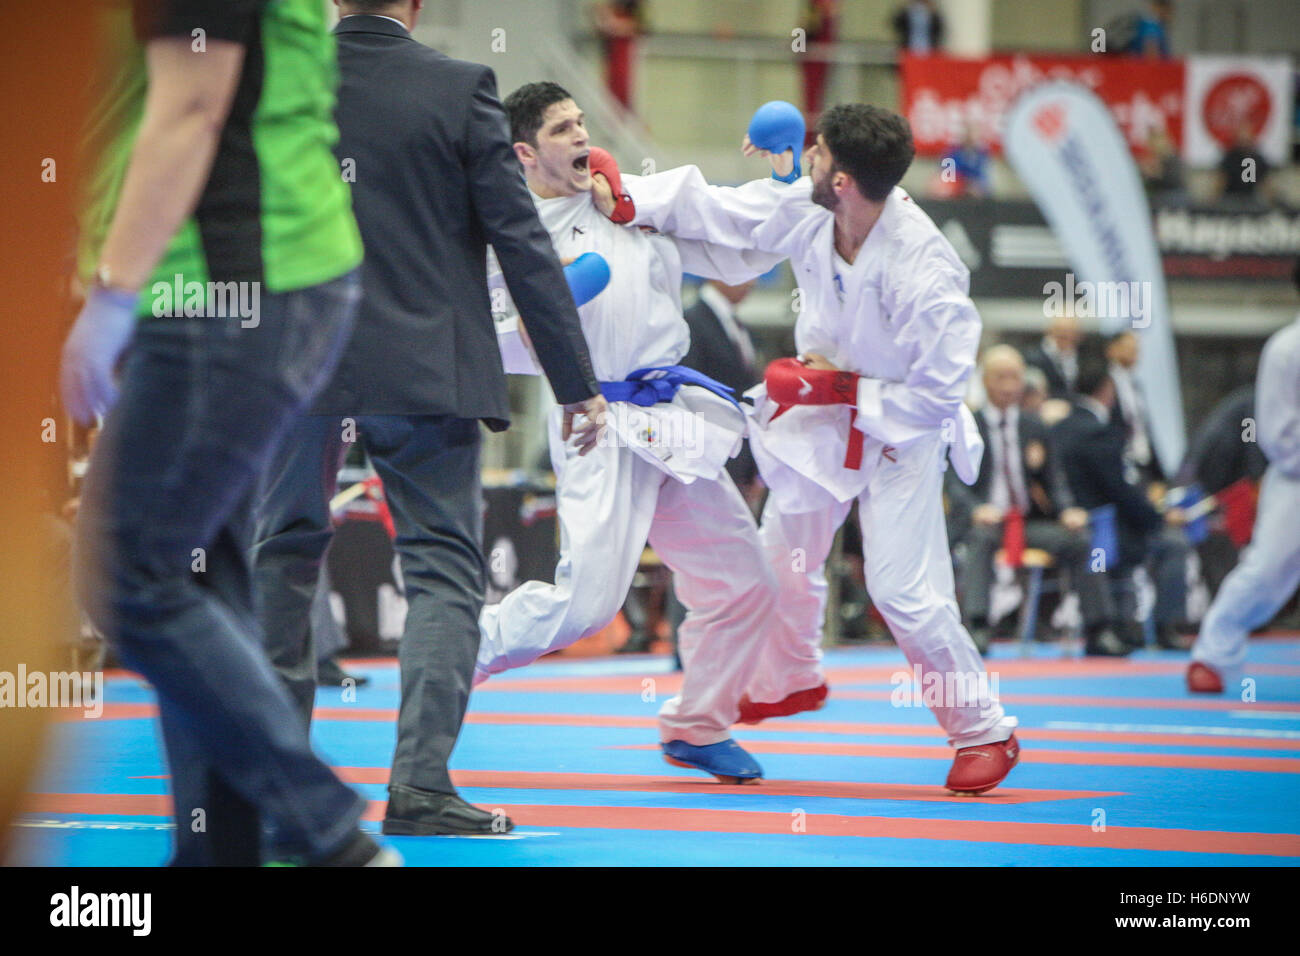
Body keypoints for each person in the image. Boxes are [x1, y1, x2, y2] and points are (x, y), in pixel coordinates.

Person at [252, 4, 604, 838]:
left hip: (299, 362)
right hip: (424, 367)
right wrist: (574, 381)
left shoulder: (282, 78)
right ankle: (419, 786)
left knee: (283, 556)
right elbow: (519, 238)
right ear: (415, 6)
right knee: (443, 567)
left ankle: (271, 786)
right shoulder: (459, 88)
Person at [63, 0, 394, 866]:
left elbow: (192, 105)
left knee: (125, 570)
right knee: (197, 581)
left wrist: (113, 294)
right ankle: (220, 853)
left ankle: (326, 828)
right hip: (237, 281)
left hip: (225, 284)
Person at [613, 103, 1022, 795]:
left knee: (901, 591)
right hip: (821, 419)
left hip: (901, 436)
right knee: (781, 557)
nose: (808, 157)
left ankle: (984, 729)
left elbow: (938, 394)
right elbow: (724, 211)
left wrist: (840, 387)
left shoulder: (926, 268)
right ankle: (787, 679)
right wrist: (625, 195)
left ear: (843, 179)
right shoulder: (811, 209)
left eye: (820, 152)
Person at [475, 82, 791, 783]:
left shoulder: (630, 203)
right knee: (587, 604)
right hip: (595, 420)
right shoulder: (515, 236)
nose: (582, 137)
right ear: (525, 152)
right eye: (562, 129)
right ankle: (454, 655)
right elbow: (486, 335)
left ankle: (697, 723)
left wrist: (786, 177)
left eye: (583, 122)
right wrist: (537, 319)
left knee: (747, 583)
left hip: (669, 417)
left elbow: (737, 245)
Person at [949, 346, 1121, 654]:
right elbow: (953, 482)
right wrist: (976, 510)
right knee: (980, 539)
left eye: (1014, 377)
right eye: (1000, 377)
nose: (1008, 386)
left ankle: (1099, 628)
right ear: (985, 380)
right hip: (988, 523)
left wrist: (1068, 509)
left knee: (1082, 541)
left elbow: (1055, 480)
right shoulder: (968, 425)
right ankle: (977, 625)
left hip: (1028, 523)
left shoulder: (1035, 426)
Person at [1189, 290, 1300, 692]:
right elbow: (1278, 434)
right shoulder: (1287, 349)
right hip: (1294, 478)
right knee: (1266, 572)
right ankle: (1213, 657)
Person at [1050, 352, 1190, 652]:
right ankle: (1165, 627)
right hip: (1108, 531)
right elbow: (1120, 492)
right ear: (1107, 389)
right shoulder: (1099, 432)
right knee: (1173, 542)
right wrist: (1158, 516)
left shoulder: (1059, 428)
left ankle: (1126, 625)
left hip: (1075, 526)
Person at [682, 279, 762, 495]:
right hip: (710, 458)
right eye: (744, 274)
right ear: (717, 273)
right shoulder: (691, 322)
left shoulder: (737, 325)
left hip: (740, 458)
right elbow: (688, 395)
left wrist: (752, 465)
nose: (752, 282)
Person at [1105, 330, 1164, 485]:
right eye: (1128, 348)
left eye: (1136, 349)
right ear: (1112, 349)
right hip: (1118, 463)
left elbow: (1143, 428)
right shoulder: (1104, 383)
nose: (1134, 353)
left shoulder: (1136, 385)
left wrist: (1158, 475)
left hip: (1142, 463)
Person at [1023, 314, 1082, 399]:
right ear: (1050, 330)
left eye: (1070, 331)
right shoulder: (1034, 358)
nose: (1065, 334)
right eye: (1061, 330)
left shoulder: (1080, 359)